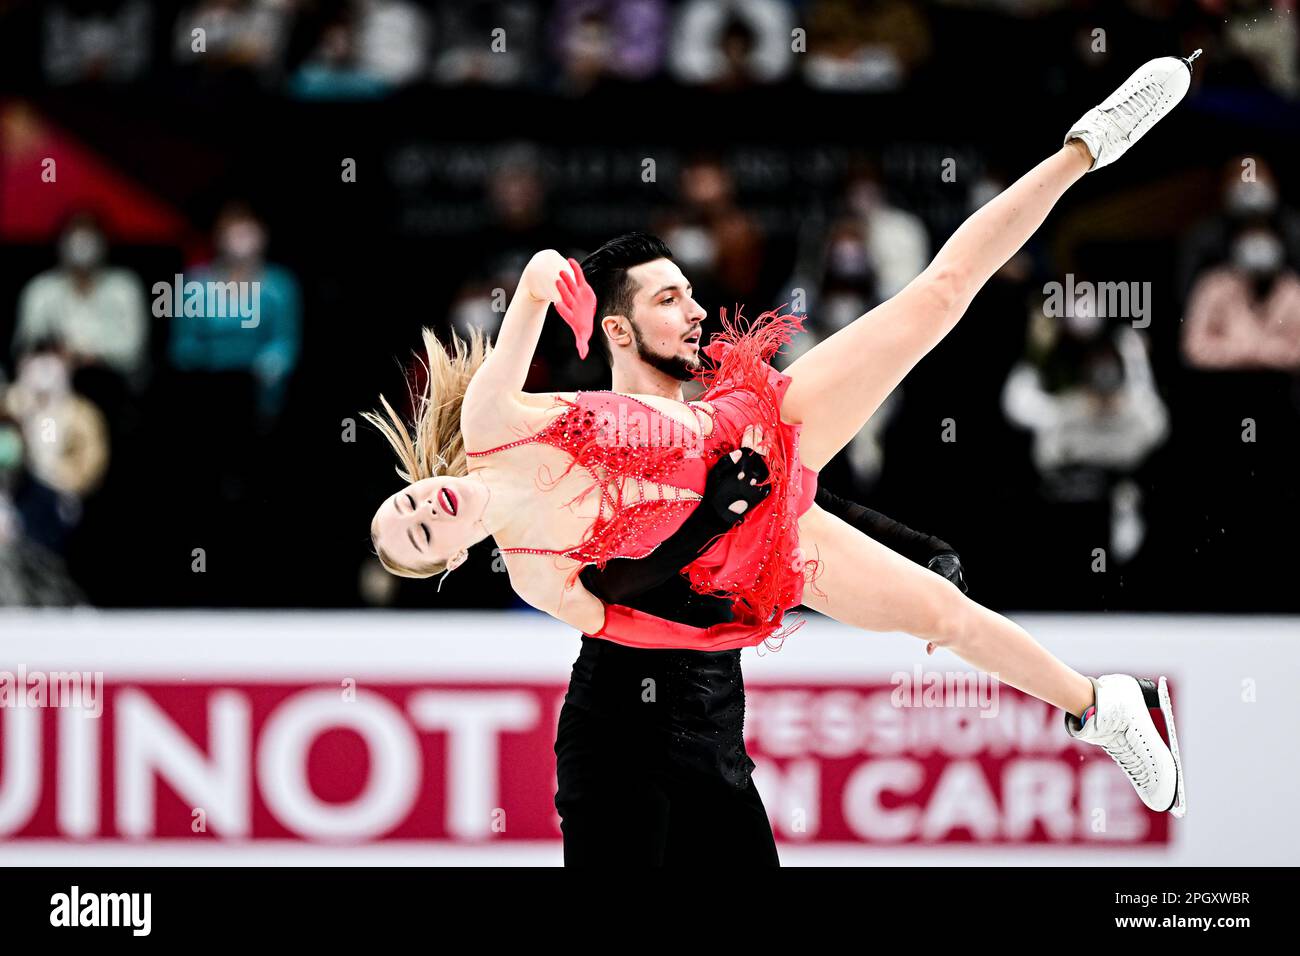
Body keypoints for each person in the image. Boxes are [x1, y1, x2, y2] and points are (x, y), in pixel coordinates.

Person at [367, 53, 1201, 820]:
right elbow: (645, 621)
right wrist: (744, 603)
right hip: (760, 544)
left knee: (933, 302)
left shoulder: (487, 423)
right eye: (423, 532)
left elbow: (542, 272)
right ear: (448, 558)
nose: (425, 506)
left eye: (405, 503)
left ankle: (1089, 144)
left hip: (752, 425)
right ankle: (1100, 705)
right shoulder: (535, 577)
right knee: (944, 617)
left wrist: (572, 293)